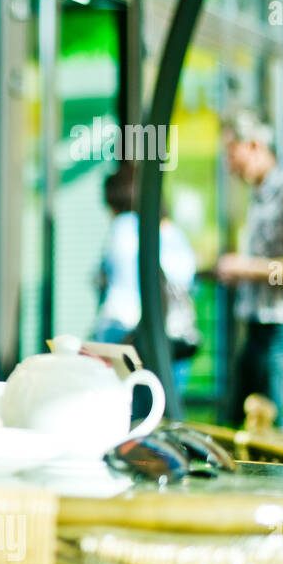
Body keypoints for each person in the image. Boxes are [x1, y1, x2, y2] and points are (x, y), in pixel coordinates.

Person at [216, 111, 283, 428]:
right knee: (240, 426)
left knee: (277, 430)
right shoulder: (260, 195)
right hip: (260, 327)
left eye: (231, 153)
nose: (229, 164)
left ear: (253, 145)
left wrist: (248, 269)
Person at [92, 161, 199, 395]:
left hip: (129, 336)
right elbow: (188, 282)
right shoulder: (174, 233)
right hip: (174, 339)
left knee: (127, 415)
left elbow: (120, 296)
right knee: (163, 411)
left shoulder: (124, 228)